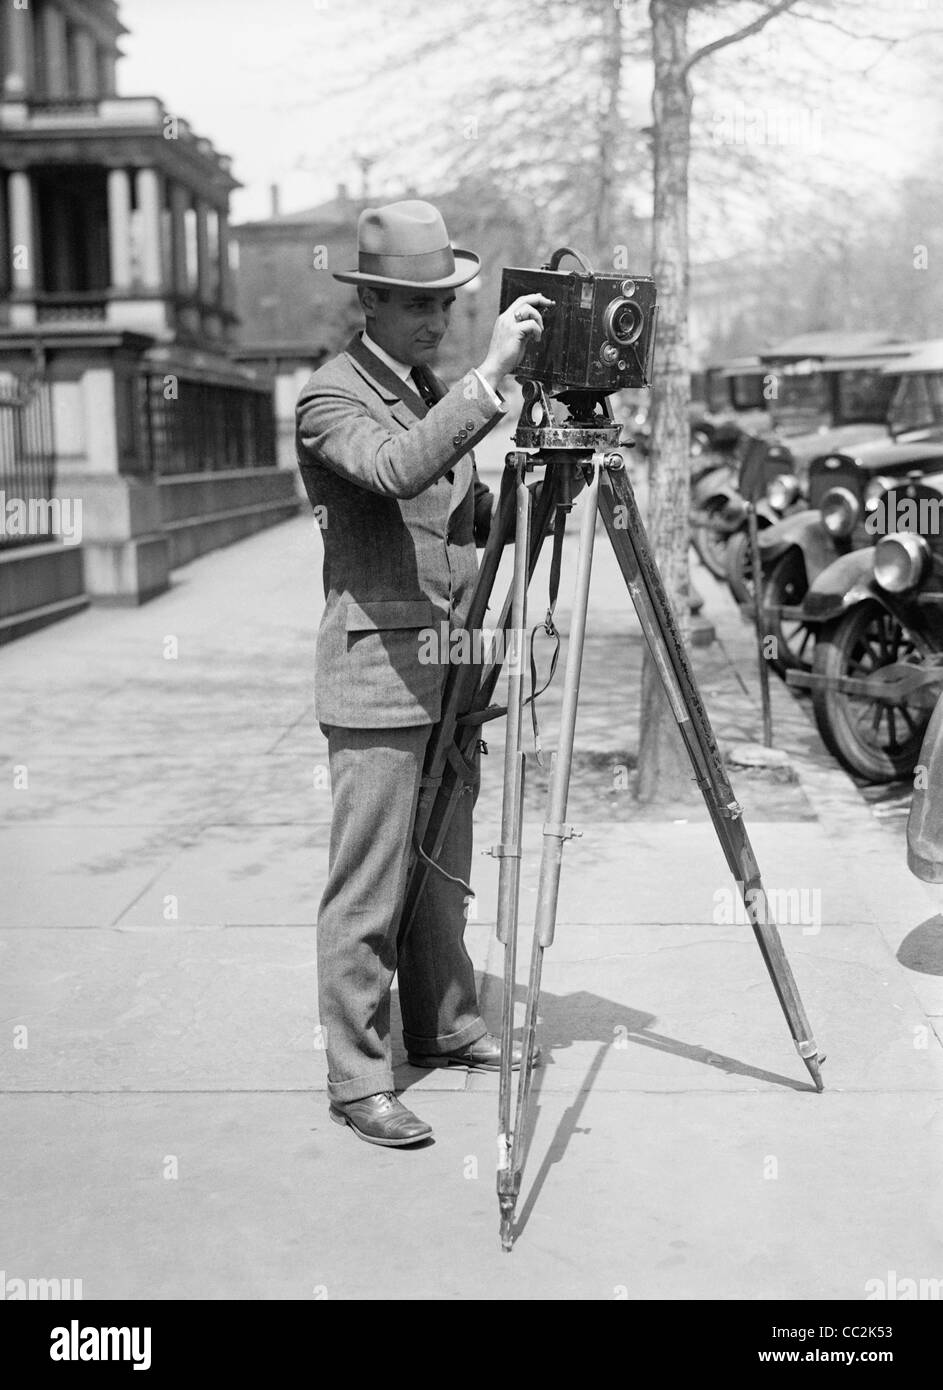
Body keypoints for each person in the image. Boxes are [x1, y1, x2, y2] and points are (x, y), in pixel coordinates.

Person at [295, 199, 551, 1147]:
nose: (433, 319)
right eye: (412, 304)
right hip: (375, 677)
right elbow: (398, 470)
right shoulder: (333, 397)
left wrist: (539, 482)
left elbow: (466, 529)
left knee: (439, 872)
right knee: (367, 884)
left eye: (442, 301)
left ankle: (442, 1023)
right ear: (368, 299)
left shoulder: (424, 384)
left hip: (450, 668)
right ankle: (358, 1076)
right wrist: (487, 385)